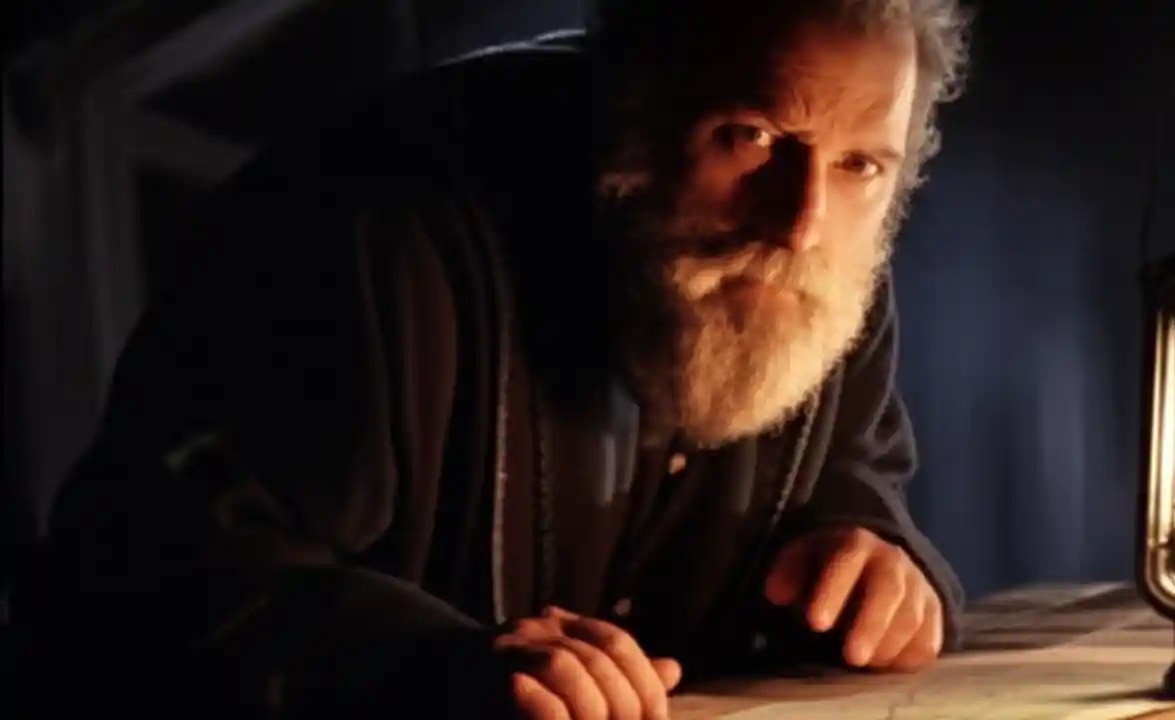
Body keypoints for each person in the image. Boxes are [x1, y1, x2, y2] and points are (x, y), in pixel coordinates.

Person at [12, 0, 970, 717]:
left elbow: (854, 479)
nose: (803, 222)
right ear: (638, 117)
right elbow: (140, 577)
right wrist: (429, 668)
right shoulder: (372, 229)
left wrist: (876, 562)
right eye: (753, 136)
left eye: (861, 165)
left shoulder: (823, 273)